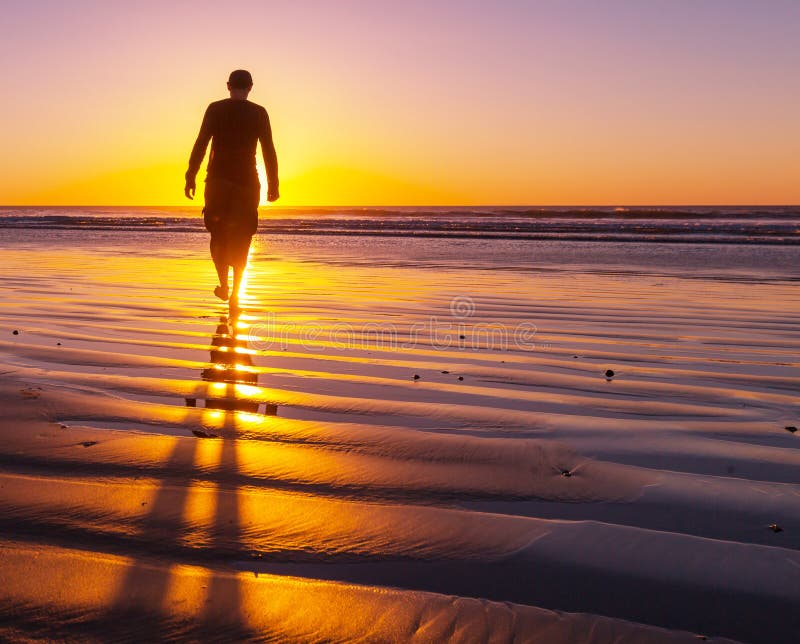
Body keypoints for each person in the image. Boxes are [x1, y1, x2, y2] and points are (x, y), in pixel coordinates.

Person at [184, 69, 279, 305]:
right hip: (247, 182)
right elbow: (268, 149)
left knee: (218, 234)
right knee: (243, 236)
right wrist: (274, 184)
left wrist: (190, 174)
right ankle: (236, 292)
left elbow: (201, 142)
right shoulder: (259, 113)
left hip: (217, 181)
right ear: (250, 87)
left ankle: (224, 286)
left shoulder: (215, 109)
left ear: (228, 85)